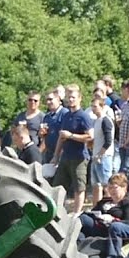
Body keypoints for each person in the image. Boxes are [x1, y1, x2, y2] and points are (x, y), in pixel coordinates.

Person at [51, 84, 93, 215]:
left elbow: (90, 136)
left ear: (80, 98)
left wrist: (71, 136)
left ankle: (76, 214)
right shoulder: (66, 115)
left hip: (79, 157)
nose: (71, 100)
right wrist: (56, 155)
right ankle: (57, 211)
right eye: (69, 97)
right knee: (58, 185)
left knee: (79, 187)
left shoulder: (84, 116)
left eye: (73, 97)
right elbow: (61, 137)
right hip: (65, 156)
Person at [79, 173, 129, 239]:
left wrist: (112, 220)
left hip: (110, 230)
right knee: (79, 234)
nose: (112, 190)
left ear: (124, 187)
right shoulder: (105, 201)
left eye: (115, 188)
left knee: (83, 219)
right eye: (109, 188)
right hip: (97, 226)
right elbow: (94, 212)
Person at [88, 97, 115, 206]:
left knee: (106, 184)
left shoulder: (106, 120)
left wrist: (100, 154)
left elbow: (108, 141)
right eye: (92, 106)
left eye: (95, 106)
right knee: (96, 185)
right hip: (95, 155)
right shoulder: (96, 121)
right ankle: (96, 207)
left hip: (104, 157)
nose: (93, 109)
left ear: (102, 107)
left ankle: (109, 205)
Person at [115, 80, 129, 191]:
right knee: (124, 167)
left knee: (128, 167)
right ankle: (126, 191)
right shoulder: (125, 104)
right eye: (128, 88)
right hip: (122, 140)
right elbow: (122, 123)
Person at [40, 89, 68, 163]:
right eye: (47, 100)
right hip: (49, 153)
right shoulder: (47, 117)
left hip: (62, 154)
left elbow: (65, 136)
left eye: (50, 99)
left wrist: (58, 155)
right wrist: (42, 134)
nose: (48, 102)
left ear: (58, 99)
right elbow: (44, 137)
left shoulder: (65, 113)